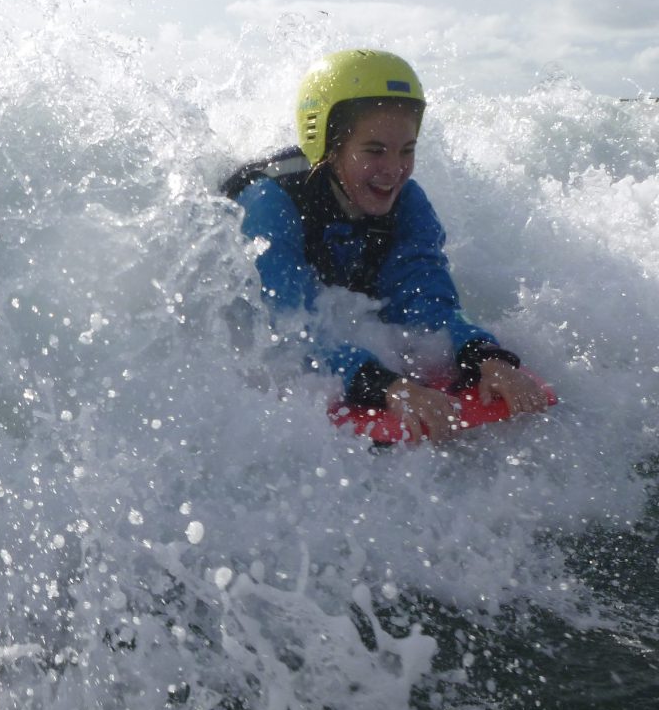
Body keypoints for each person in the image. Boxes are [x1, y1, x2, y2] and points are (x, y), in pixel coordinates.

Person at [222, 49, 550, 441]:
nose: (394, 169)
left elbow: (427, 299)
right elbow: (289, 332)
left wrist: (484, 356)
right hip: (255, 320)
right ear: (329, 147)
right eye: (374, 151)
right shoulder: (267, 206)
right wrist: (386, 386)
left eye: (406, 150)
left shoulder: (408, 202)